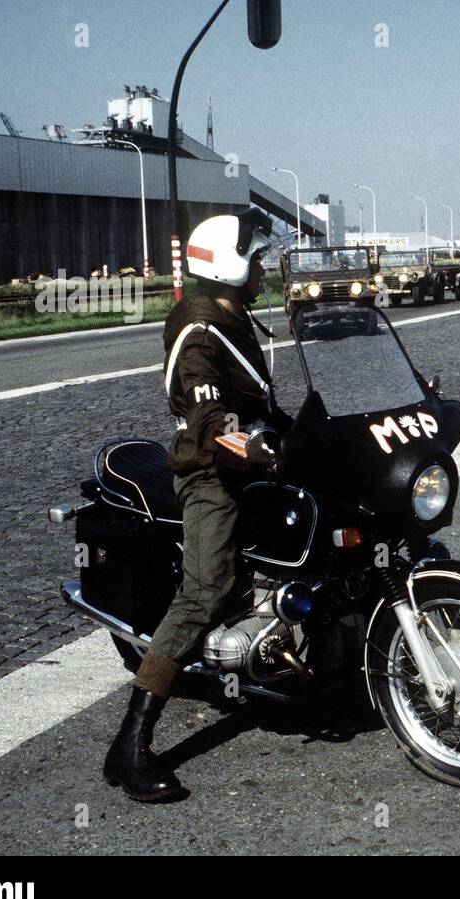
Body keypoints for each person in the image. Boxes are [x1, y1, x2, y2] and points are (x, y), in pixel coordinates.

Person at [104, 208, 291, 802]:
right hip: (210, 473)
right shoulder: (198, 330)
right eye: (255, 258)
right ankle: (130, 746)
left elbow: (265, 404)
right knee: (205, 587)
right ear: (229, 264)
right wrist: (255, 445)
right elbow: (210, 424)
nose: (262, 265)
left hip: (253, 463)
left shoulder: (233, 318)